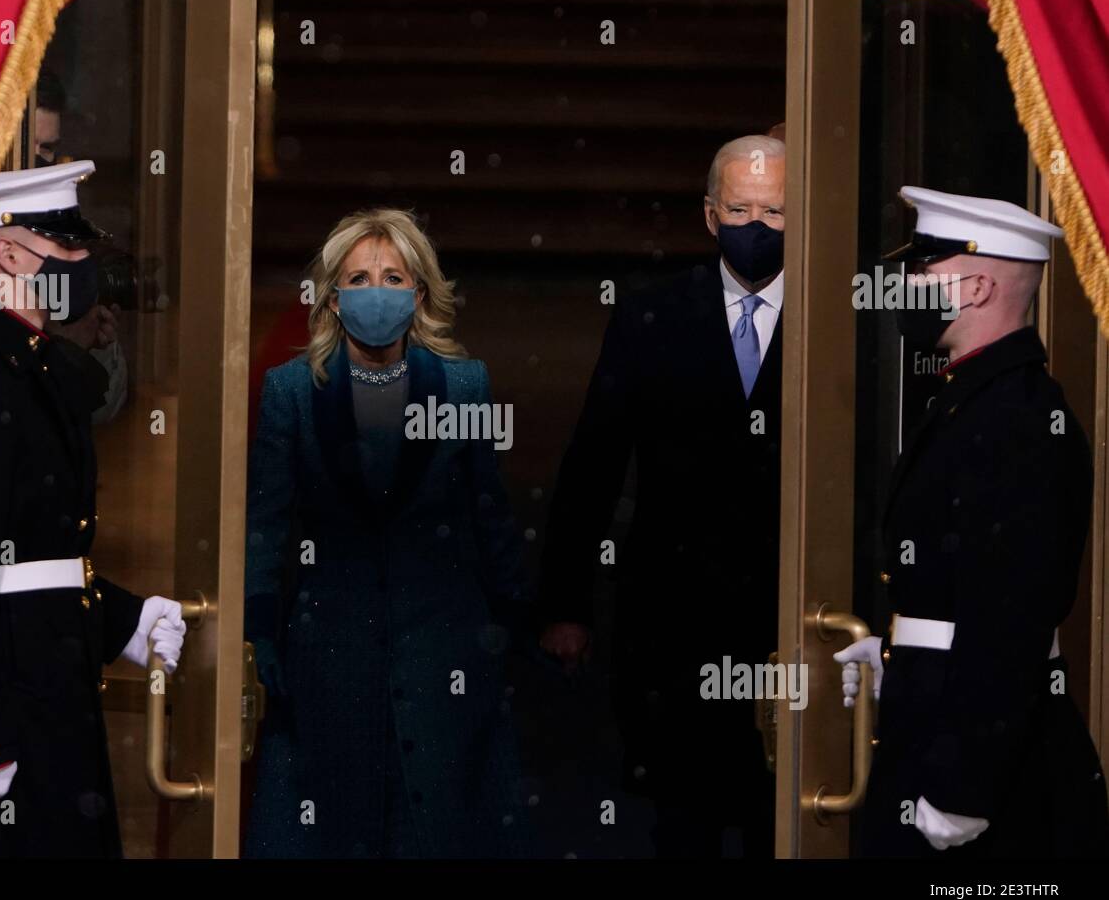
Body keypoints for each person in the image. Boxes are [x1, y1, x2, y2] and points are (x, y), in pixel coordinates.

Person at [0, 161, 187, 858]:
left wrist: (123, 620)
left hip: (47, 692)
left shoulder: (29, 364)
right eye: (68, 249)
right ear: (11, 252)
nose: (83, 265)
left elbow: (37, 552)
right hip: (3, 714)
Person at [243, 208, 530, 858]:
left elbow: (489, 518)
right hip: (327, 659)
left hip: (442, 655)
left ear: (420, 294)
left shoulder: (464, 388)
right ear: (335, 298)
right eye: (360, 278)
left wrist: (519, 624)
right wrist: (258, 635)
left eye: (393, 276)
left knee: (434, 832)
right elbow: (265, 529)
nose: (377, 291)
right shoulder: (290, 392)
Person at [837, 186, 1109, 857]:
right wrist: (905, 652)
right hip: (938, 720)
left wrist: (964, 788)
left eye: (925, 268)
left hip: (984, 767)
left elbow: (1011, 620)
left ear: (979, 285)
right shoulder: (974, 398)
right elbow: (962, 583)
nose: (907, 282)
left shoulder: (1019, 420)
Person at [538, 135, 786, 857]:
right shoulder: (652, 315)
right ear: (709, 217)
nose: (756, 226)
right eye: (740, 208)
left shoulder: (840, 322)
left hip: (789, 620)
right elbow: (594, 463)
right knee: (685, 823)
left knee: (789, 816)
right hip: (675, 621)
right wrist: (564, 605)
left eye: (775, 212)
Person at [34, 66, 128, 424]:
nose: (39, 165)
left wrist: (95, 347)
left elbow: (102, 411)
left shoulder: (62, 225)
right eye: (29, 148)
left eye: (49, 149)